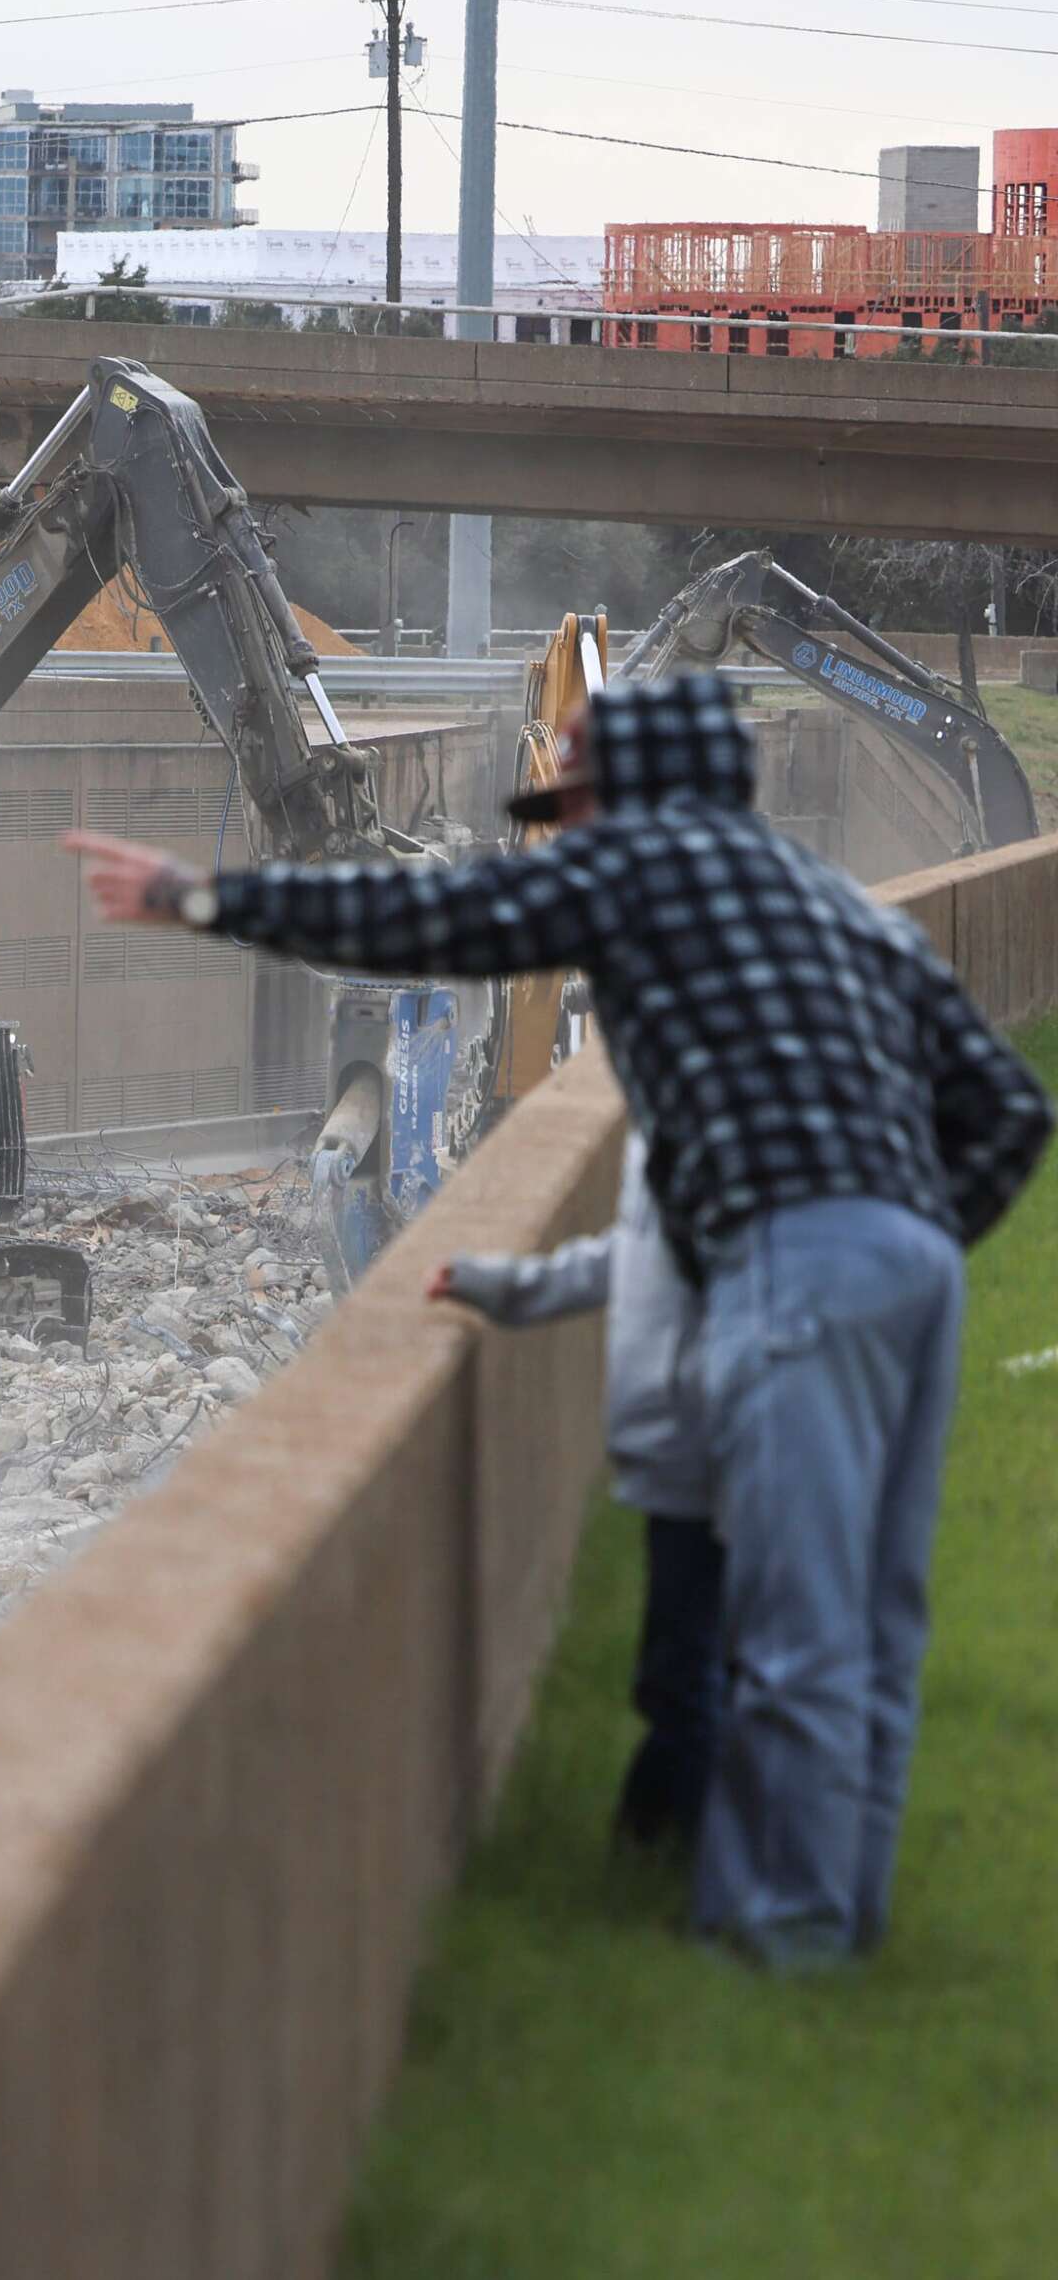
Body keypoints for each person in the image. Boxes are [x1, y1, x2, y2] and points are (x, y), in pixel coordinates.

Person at [63, 672, 1049, 1966]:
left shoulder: (647, 863)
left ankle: (787, 1942)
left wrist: (200, 897)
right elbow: (1016, 1113)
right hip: (917, 1270)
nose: (566, 833)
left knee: (796, 1629)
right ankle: (836, 1921)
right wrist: (908, 1226)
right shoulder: (839, 908)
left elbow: (436, 915)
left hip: (794, 1265)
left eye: (574, 804)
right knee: (875, 1623)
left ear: (633, 794)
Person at [429, 1134, 718, 1853]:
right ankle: (674, 1843)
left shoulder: (709, 1132)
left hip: (713, 1445)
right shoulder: (667, 1137)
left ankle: (691, 1853)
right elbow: (632, 1259)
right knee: (683, 1660)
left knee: (694, 1667)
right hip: (674, 1452)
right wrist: (506, 1288)